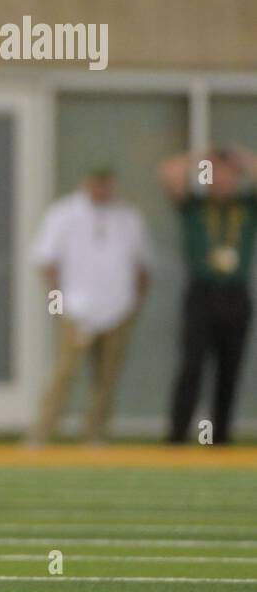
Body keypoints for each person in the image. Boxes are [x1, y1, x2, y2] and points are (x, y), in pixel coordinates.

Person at [27, 165, 153, 446]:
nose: (102, 190)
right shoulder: (64, 213)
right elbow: (46, 261)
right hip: (77, 309)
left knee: (106, 378)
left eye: (106, 184)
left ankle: (95, 435)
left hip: (118, 309)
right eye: (97, 183)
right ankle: (42, 433)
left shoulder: (128, 217)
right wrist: (58, 301)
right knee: (64, 373)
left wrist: (133, 305)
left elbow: (143, 265)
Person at [159, 145, 257, 445]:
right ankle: (177, 436)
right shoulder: (195, 205)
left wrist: (241, 159)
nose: (221, 181)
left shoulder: (246, 205)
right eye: (215, 174)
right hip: (201, 295)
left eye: (227, 175)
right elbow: (168, 172)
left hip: (235, 295)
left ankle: (220, 438)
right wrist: (202, 157)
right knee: (192, 364)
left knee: (229, 368)